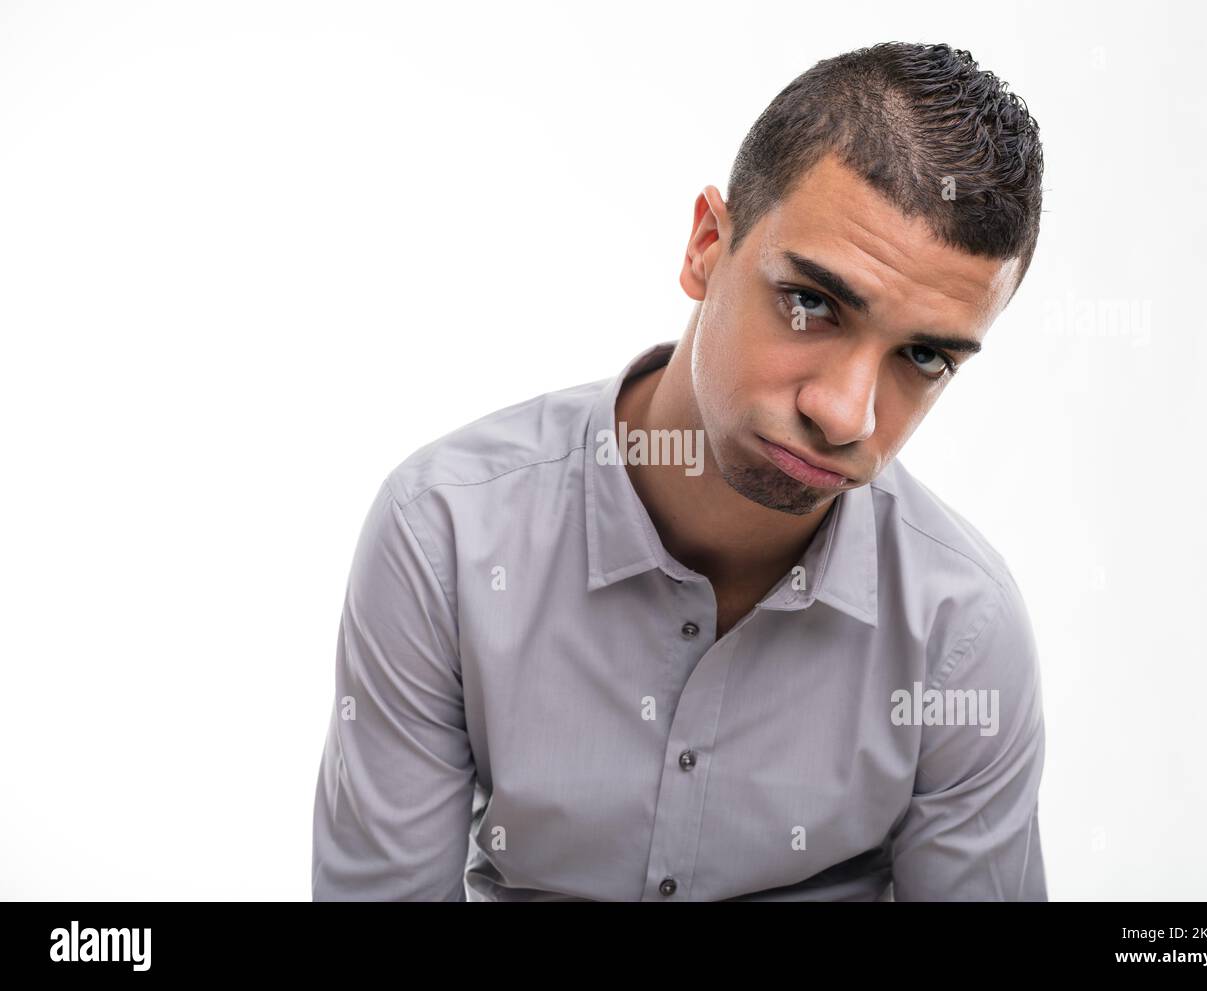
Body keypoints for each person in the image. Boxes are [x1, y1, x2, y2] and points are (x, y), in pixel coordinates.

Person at [312, 41, 1048, 901]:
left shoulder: (962, 629)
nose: (846, 413)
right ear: (707, 244)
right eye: (812, 303)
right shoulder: (443, 535)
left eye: (923, 356)